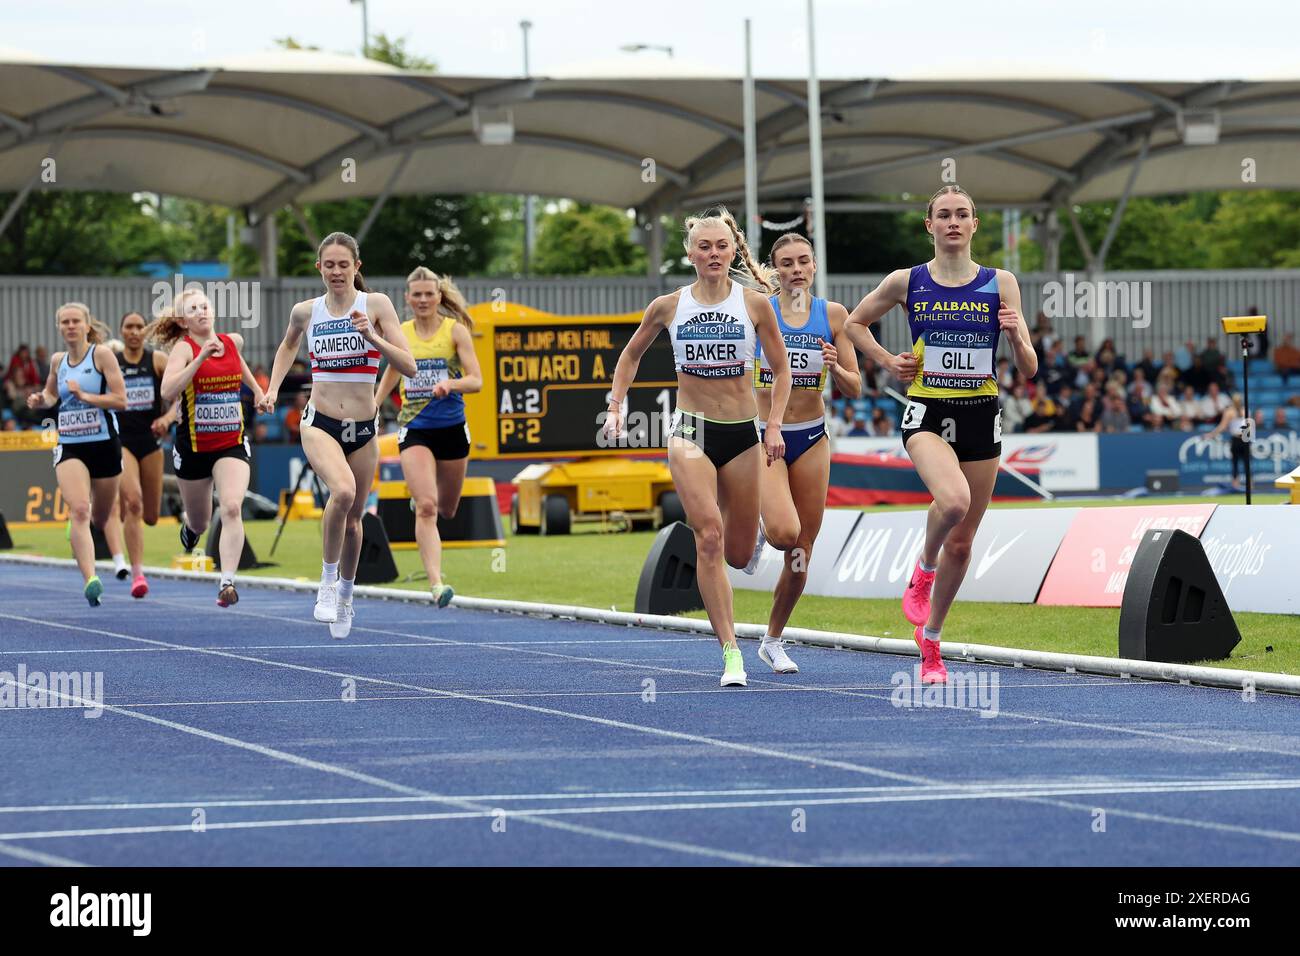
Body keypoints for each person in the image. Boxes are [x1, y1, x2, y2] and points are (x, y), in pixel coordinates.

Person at [844, 185, 1036, 684]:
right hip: (928, 410)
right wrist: (890, 362)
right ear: (929, 225)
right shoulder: (906, 281)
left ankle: (931, 642)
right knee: (952, 503)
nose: (953, 222)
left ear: (975, 225)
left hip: (981, 412)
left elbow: (1030, 368)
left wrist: (1015, 332)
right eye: (944, 215)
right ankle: (922, 569)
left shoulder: (1001, 282)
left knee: (965, 542)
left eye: (963, 215)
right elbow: (854, 324)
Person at [603, 207, 790, 687]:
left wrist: (772, 425)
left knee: (738, 553)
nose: (712, 253)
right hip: (691, 432)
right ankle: (731, 652)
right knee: (708, 535)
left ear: (732, 252)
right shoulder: (668, 306)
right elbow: (630, 355)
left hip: (743, 434)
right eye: (703, 246)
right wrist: (617, 403)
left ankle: (757, 537)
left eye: (721, 246)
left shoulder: (755, 305)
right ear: (689, 254)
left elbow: (782, 370)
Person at [260, 232, 416, 638]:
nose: (336, 271)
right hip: (321, 423)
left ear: (356, 267)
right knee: (342, 494)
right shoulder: (305, 311)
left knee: (354, 520)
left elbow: (409, 366)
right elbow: (286, 347)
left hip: (363, 429)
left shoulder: (376, 305)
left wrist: (373, 337)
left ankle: (347, 595)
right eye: (328, 265)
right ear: (319, 268)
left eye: (343, 264)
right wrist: (274, 388)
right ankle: (327, 583)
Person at [743, 232, 860, 674]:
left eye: (803, 261)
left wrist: (835, 365)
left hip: (812, 437)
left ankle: (773, 639)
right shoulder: (758, 312)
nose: (796, 269)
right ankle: (757, 515)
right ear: (776, 270)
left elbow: (854, 385)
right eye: (787, 263)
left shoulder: (832, 315)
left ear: (814, 266)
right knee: (782, 533)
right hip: (765, 435)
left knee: (801, 551)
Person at [374, 267, 482, 608]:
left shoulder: (455, 332)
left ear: (439, 297)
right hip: (415, 427)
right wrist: (374, 406)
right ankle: (436, 585)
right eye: (416, 294)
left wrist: (450, 384)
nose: (422, 300)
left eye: (428, 294)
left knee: (447, 509)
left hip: (451, 428)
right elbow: (393, 369)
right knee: (427, 507)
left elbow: (476, 380)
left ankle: (425, 501)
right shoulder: (401, 333)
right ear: (407, 298)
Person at [155, 289, 265, 607]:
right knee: (201, 520)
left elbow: (241, 366)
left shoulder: (232, 342)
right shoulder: (183, 349)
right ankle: (190, 528)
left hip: (230, 442)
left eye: (205, 306)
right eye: (194, 309)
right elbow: (168, 390)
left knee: (231, 507)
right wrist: (201, 357)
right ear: (182, 320)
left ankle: (227, 582)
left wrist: (259, 392)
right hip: (193, 448)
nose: (202, 312)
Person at [25, 303, 127, 605]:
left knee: (101, 515)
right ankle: (91, 579)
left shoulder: (102, 355)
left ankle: (83, 528)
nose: (70, 326)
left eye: (75, 321)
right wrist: (39, 399)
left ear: (86, 325)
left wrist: (86, 396)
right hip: (70, 443)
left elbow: (121, 400)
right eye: (65, 322)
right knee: (80, 509)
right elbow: (52, 394)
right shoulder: (58, 361)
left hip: (104, 443)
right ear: (59, 327)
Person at [101, 311, 175, 597]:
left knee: (151, 516)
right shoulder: (112, 363)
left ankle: (108, 509)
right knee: (133, 502)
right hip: (122, 441)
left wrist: (167, 419)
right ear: (121, 331)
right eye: (128, 326)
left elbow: (182, 395)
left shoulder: (157, 361)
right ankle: (138, 574)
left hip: (150, 441)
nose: (133, 331)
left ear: (145, 331)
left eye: (138, 327)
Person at [1209, 394, 1251, 491]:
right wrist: (1212, 434)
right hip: (1235, 439)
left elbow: (1250, 425)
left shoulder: (1245, 411)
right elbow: (1223, 426)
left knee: (1247, 462)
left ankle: (1250, 484)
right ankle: (1235, 484)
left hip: (1244, 438)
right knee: (1235, 462)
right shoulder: (1229, 412)